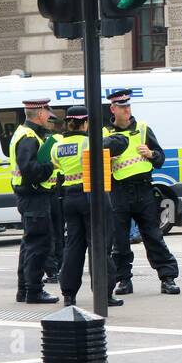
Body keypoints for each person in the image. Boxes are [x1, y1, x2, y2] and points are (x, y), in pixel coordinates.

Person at [102, 89, 181, 297]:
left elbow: (161, 158)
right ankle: (124, 280)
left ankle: (168, 278)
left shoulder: (144, 129)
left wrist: (152, 154)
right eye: (122, 107)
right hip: (118, 191)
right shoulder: (104, 133)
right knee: (119, 240)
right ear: (113, 109)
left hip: (144, 190)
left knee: (154, 236)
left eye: (128, 106)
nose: (127, 110)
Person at [49, 106, 122, 308]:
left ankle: (69, 294)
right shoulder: (88, 142)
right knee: (99, 244)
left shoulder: (58, 146)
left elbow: (57, 165)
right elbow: (117, 144)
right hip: (92, 195)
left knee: (73, 246)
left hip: (69, 197)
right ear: (86, 122)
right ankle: (104, 293)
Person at [9, 99, 59, 304]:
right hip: (33, 195)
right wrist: (50, 165)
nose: (50, 116)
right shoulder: (29, 138)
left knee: (29, 243)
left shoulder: (25, 134)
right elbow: (30, 171)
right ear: (40, 114)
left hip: (30, 196)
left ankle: (25, 290)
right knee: (38, 244)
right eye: (48, 112)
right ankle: (34, 291)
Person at [43, 113, 65, 284]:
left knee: (50, 233)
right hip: (61, 188)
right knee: (59, 232)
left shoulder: (45, 141)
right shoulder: (61, 140)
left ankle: (52, 270)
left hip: (48, 190)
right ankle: (60, 266)